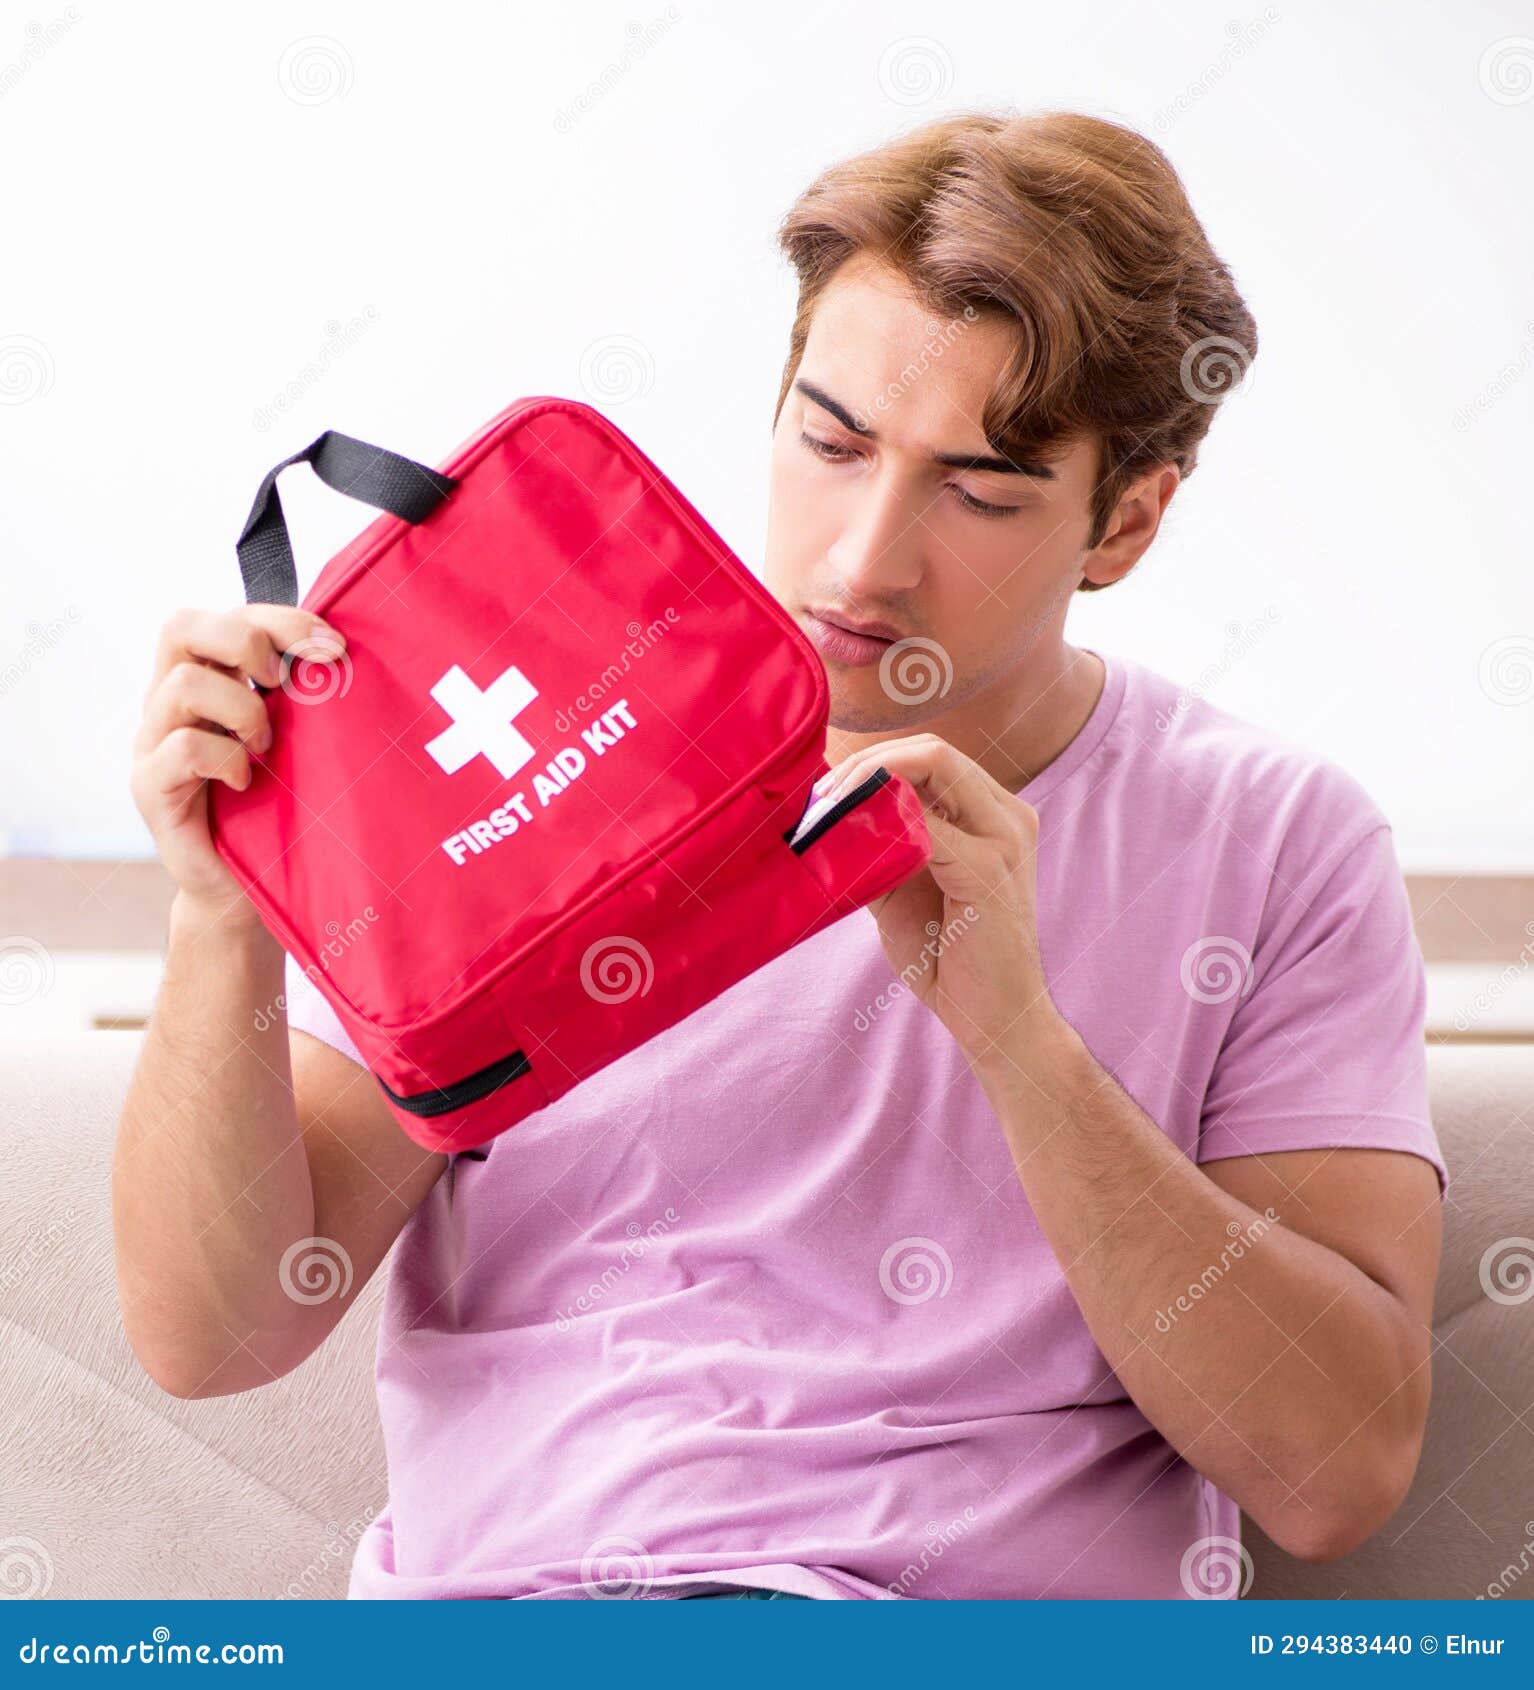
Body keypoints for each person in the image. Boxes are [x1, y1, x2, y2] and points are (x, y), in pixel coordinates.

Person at [115, 108, 1447, 1601]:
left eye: (979, 491)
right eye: (831, 443)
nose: (863, 560)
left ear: (1124, 523)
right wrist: (220, 916)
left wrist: (1018, 1042)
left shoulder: (1275, 842)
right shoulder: (539, 759)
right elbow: (216, 1338)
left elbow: (1334, 1476)